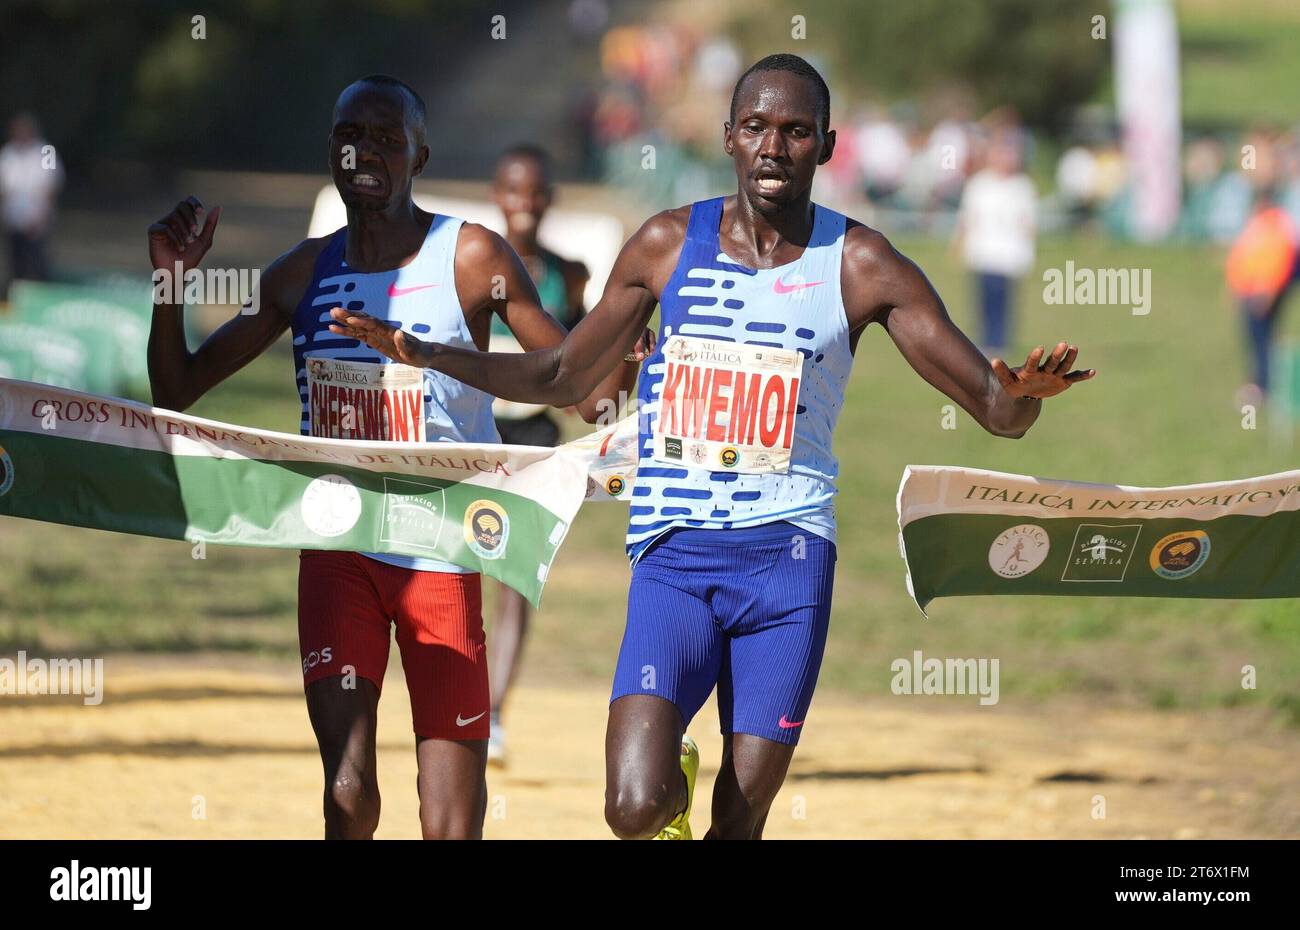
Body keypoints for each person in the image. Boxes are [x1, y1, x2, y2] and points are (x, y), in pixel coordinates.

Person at [329, 54, 1094, 840]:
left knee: (739, 817)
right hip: (675, 558)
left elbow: (996, 411)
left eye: (795, 131)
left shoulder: (863, 265)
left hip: (788, 563)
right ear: (728, 138)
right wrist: (427, 352)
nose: (773, 146)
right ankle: (670, 797)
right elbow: (561, 375)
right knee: (633, 806)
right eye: (756, 127)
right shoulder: (665, 245)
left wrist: (1025, 395)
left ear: (826, 147)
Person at [145, 75, 642, 839]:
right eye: (352, 135)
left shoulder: (471, 257)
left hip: (441, 551)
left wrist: (628, 355)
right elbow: (177, 390)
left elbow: (575, 387)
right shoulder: (300, 274)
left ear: (420, 155)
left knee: (448, 821)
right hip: (337, 549)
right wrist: (170, 282)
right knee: (346, 791)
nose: (366, 150)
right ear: (332, 152)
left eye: (387, 137)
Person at [485, 144, 591, 767]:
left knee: (514, 578)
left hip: (534, 444)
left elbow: (578, 365)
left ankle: (495, 713)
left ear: (549, 198)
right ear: (496, 195)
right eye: (513, 191)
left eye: (536, 192)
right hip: (469, 437)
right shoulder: (472, 266)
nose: (525, 204)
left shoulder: (568, 274)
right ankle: (459, 703)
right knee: (452, 573)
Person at [953, 127, 1037, 357]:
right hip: (983, 252)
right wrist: (959, 244)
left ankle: (1000, 343)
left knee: (1004, 301)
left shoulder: (1022, 187)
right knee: (983, 299)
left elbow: (1028, 223)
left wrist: (1028, 251)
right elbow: (968, 218)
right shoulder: (979, 184)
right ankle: (985, 341)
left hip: (1009, 254)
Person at [1226, 187, 1299, 400]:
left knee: (1264, 338)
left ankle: (1267, 385)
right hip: (1249, 291)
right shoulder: (1255, 226)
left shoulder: (1277, 226)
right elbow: (1241, 258)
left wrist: (1268, 288)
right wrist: (1234, 288)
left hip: (1264, 292)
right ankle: (1260, 382)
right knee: (1253, 338)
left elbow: (1278, 259)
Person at [0, 113, 63, 297]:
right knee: (14, 266)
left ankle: (41, 301)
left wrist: (41, 218)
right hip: (13, 221)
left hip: (38, 221)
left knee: (38, 265)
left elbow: (51, 185)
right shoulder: (7, 153)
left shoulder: (46, 151)